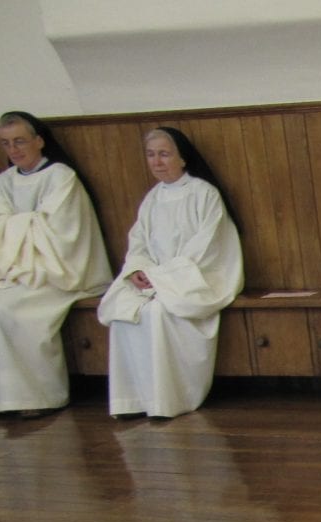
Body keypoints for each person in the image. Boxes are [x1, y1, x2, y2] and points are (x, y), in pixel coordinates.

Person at [0, 111, 111, 416]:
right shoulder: (3, 182)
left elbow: (58, 229)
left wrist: (11, 226)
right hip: (11, 270)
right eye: (6, 143)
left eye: (20, 141)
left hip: (53, 272)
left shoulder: (61, 177)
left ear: (39, 141)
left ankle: (35, 398)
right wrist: (25, 225)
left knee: (8, 311)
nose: (14, 150)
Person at [97, 127, 244, 419]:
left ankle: (168, 400)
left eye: (164, 154)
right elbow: (138, 243)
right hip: (158, 280)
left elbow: (207, 248)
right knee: (123, 310)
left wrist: (163, 278)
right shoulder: (152, 199)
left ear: (183, 158)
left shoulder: (204, 194)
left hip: (193, 279)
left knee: (158, 313)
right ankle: (135, 400)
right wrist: (137, 270)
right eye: (151, 155)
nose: (157, 162)